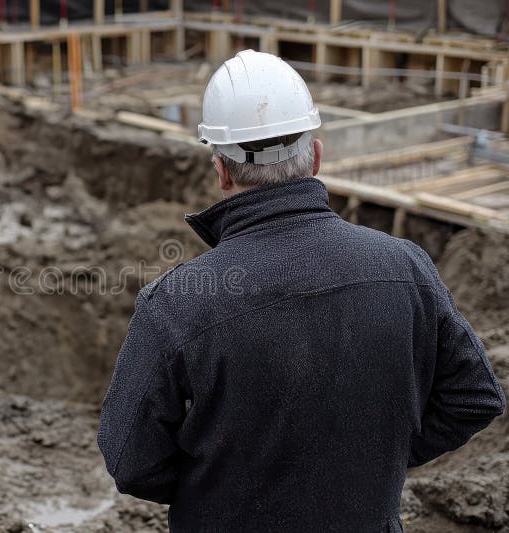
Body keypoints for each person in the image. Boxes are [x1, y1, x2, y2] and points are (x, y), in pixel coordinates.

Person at [97, 50, 505, 532]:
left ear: (222, 171)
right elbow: (474, 397)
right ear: (315, 156)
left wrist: (220, 486)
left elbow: (130, 459)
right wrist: (375, 462)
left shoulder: (176, 303)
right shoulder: (404, 267)